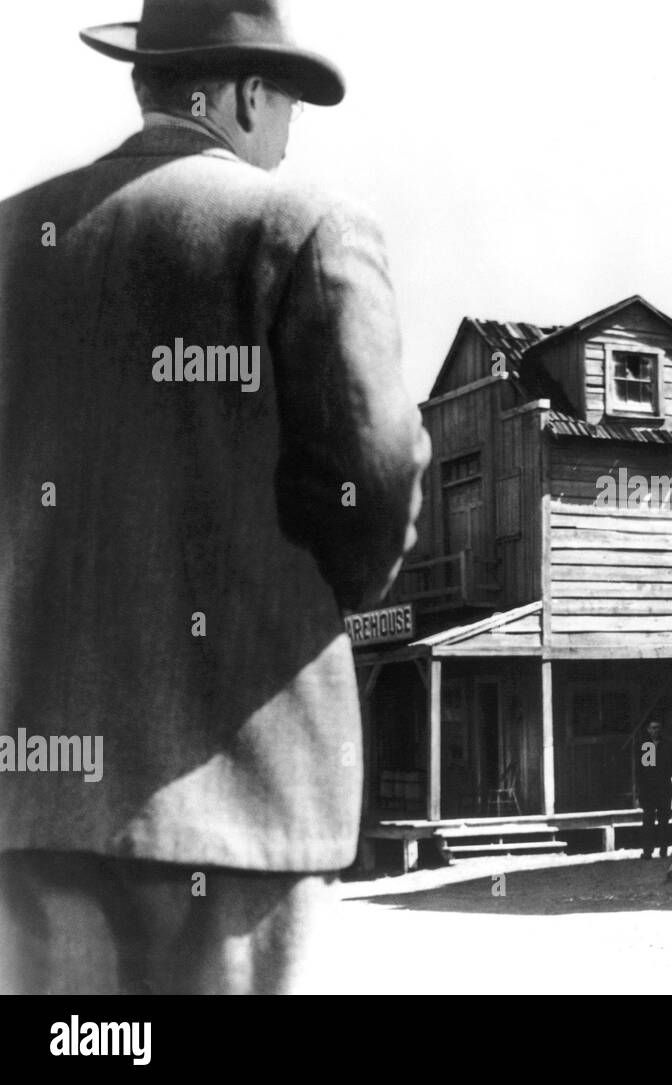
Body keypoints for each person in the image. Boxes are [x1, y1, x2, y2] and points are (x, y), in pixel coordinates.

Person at [0, 0, 431, 994]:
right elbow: (376, 476)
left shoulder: (18, 238)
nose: (284, 140)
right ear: (242, 96)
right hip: (239, 796)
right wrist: (312, 605)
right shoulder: (305, 226)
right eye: (285, 108)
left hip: (36, 808)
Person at [635, 721, 672, 859]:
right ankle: (648, 851)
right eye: (653, 728)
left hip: (664, 787)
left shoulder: (668, 745)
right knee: (648, 819)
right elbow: (643, 770)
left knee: (664, 819)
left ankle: (663, 851)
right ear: (648, 730)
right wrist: (639, 790)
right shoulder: (646, 746)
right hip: (648, 788)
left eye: (658, 728)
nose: (656, 731)